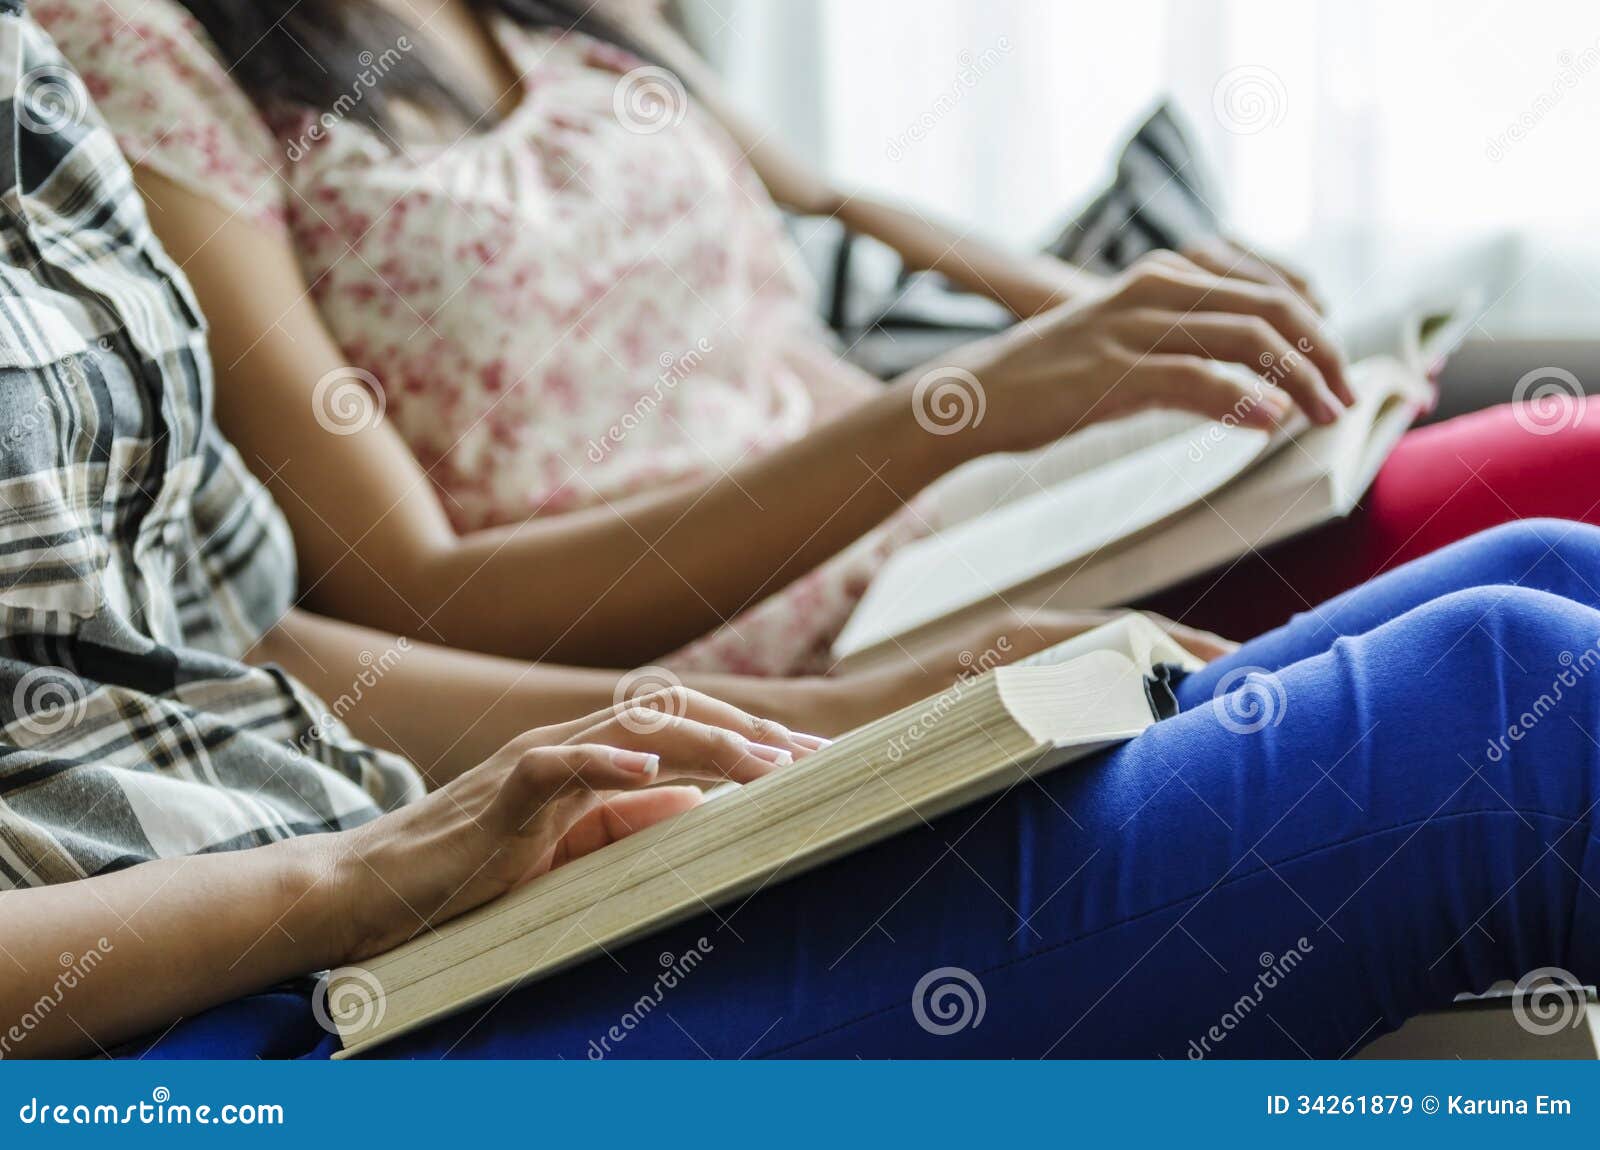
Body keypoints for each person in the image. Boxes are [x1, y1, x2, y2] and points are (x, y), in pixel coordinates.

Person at [4, 6, 1600, 1061]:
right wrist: (359, 878)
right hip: (242, 1014)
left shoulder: (35, 88)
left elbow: (249, 634)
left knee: (1547, 566)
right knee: (1528, 698)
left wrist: (865, 721)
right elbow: (406, 595)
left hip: (426, 858)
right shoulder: (139, 46)